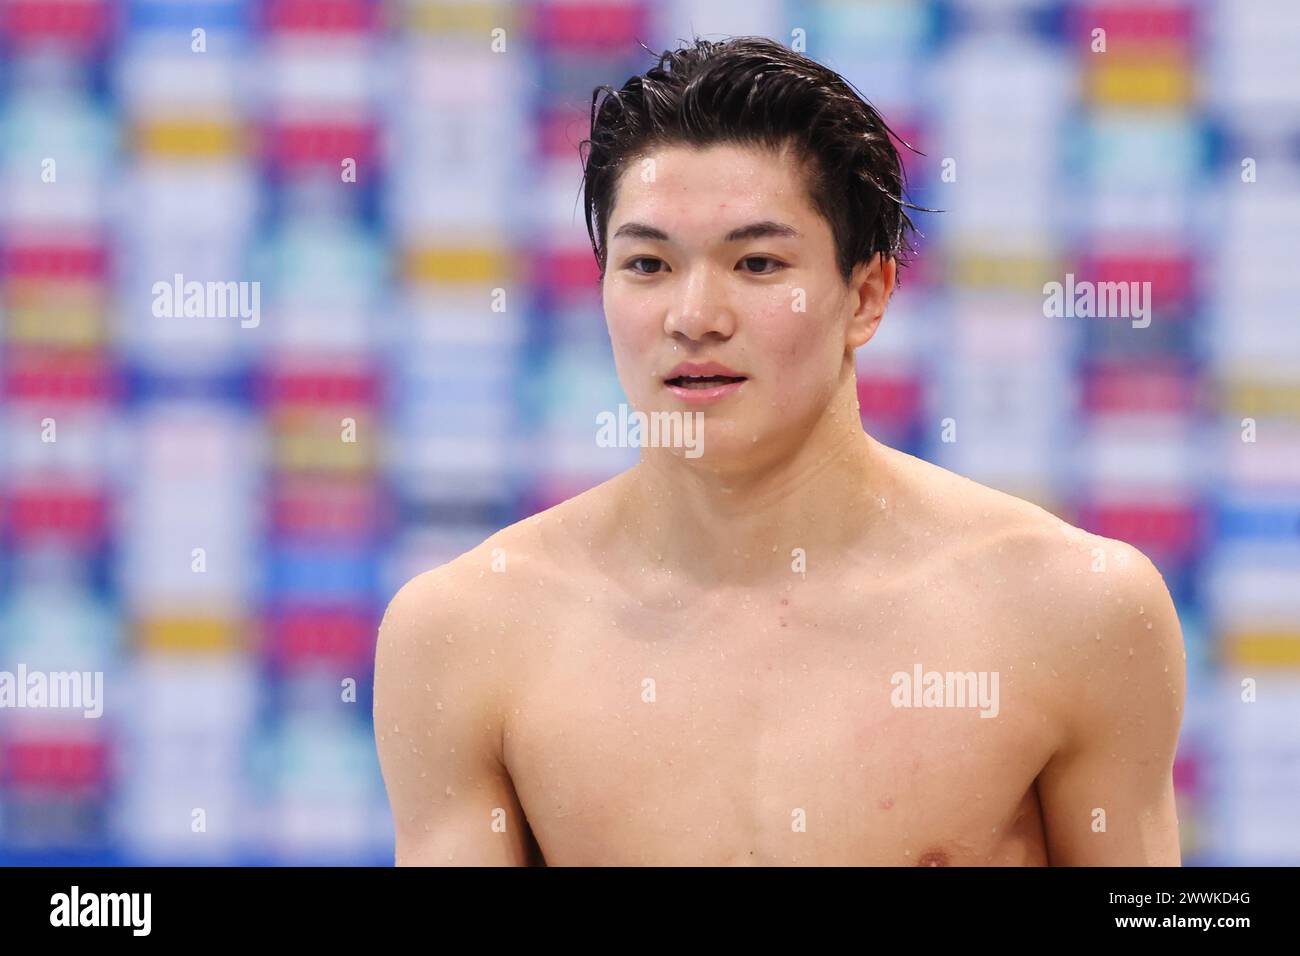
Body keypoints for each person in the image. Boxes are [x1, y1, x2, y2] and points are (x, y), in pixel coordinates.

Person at [374, 36, 1185, 866]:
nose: (694, 316)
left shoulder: (1072, 612)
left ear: (865, 296)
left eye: (757, 263)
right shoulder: (468, 634)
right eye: (648, 264)